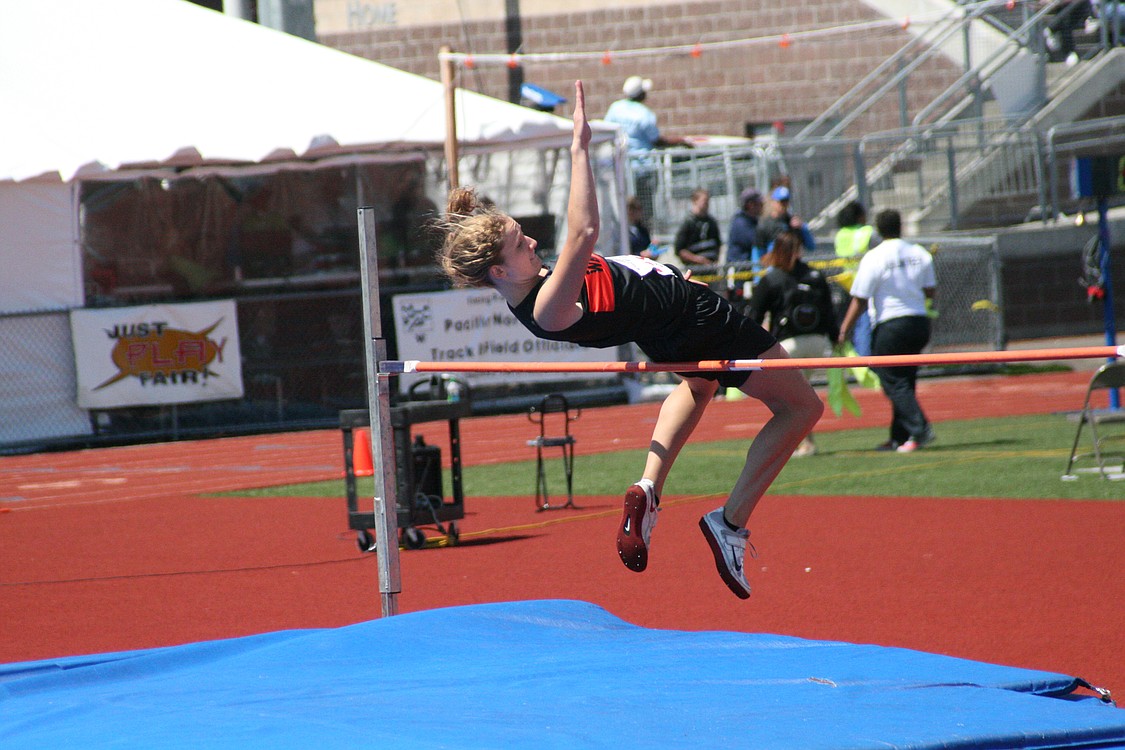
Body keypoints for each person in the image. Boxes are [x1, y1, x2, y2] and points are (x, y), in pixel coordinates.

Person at [438, 81, 823, 600]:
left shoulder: (531, 292)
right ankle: (729, 522)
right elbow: (584, 232)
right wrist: (579, 148)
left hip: (664, 331)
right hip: (693, 314)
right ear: (498, 272)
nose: (532, 240)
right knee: (801, 407)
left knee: (699, 387)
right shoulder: (548, 305)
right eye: (518, 243)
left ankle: (648, 487)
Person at [837, 209, 936, 453]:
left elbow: (860, 298)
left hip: (891, 324)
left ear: (879, 230)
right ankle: (899, 437)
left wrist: (844, 329)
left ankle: (920, 428)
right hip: (919, 322)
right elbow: (930, 290)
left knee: (891, 378)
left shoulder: (874, 257)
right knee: (905, 380)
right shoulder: (919, 253)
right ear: (900, 226)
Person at [747, 230, 838, 457]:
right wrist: (835, 339)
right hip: (818, 344)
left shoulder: (771, 279)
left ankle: (804, 443)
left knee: (789, 400)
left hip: (790, 346)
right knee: (797, 395)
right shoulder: (815, 275)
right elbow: (829, 312)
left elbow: (754, 316)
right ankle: (799, 442)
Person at [604, 76, 690, 222]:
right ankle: (643, 230)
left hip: (621, 167)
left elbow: (607, 130)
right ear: (641, 94)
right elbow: (657, 140)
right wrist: (681, 141)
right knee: (644, 208)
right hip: (642, 168)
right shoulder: (645, 114)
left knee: (622, 205)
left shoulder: (615, 108)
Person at [833, 200, 879, 356]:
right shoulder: (867, 232)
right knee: (864, 322)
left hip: (846, 282)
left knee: (848, 323)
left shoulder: (840, 234)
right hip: (864, 282)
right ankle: (865, 359)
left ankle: (851, 357)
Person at [755, 185, 815, 253]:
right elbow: (758, 252)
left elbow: (811, 246)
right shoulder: (765, 225)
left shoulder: (794, 222)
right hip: (774, 262)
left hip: (793, 262)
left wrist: (802, 228)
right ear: (773, 202)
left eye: (786, 202)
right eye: (781, 202)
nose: (784, 205)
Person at [673, 188, 722, 265]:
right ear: (695, 201)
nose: (707, 204)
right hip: (695, 270)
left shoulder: (711, 222)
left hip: (711, 269)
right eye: (704, 201)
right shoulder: (688, 223)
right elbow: (679, 250)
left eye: (708, 201)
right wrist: (698, 260)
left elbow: (717, 243)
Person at [727, 187, 764, 266]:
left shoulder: (754, 220)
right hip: (739, 270)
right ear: (750, 205)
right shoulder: (740, 222)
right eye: (759, 203)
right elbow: (757, 241)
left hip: (750, 267)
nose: (762, 206)